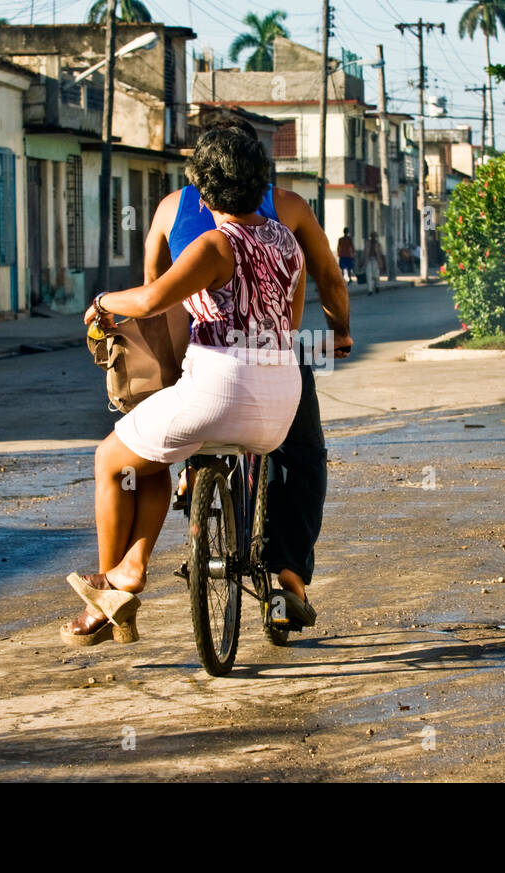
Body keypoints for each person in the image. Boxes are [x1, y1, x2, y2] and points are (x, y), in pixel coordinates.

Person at [63, 128, 308, 646]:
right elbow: (291, 320)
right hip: (282, 398)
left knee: (110, 460)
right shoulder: (287, 243)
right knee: (148, 462)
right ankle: (133, 563)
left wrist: (104, 302)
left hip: (219, 390)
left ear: (205, 190)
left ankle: (114, 588)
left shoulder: (214, 245)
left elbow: (151, 299)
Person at [142, 112, 351, 616]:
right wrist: (341, 330)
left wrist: (167, 362)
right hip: (274, 357)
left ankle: (195, 474)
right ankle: (289, 576)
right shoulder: (288, 206)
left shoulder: (171, 207)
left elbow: (153, 283)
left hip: (202, 357)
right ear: (257, 162)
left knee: (191, 415)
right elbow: (328, 277)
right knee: (301, 457)